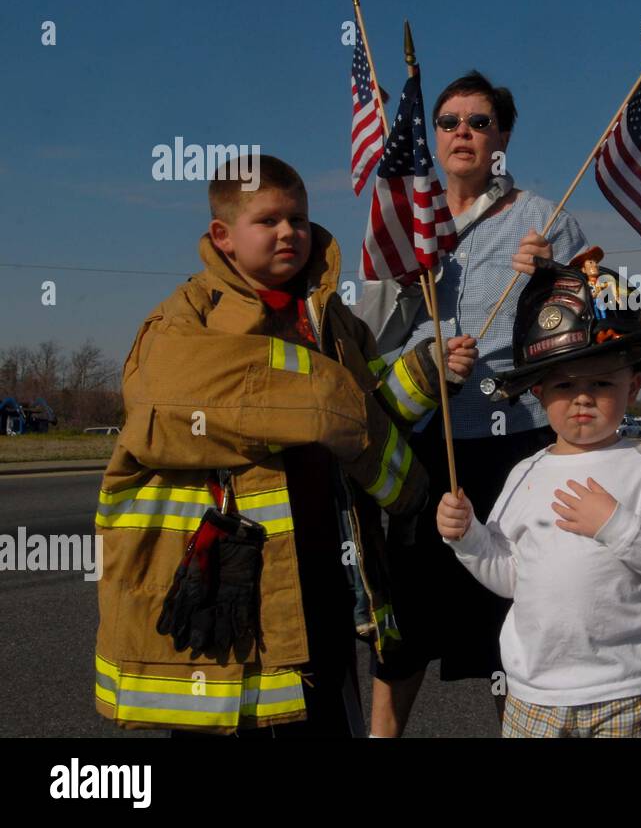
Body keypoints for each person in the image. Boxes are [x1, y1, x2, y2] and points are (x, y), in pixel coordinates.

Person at [94, 155, 473, 736]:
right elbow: (160, 405)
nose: (288, 232)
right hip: (236, 579)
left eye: (297, 218)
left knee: (323, 715)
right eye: (267, 220)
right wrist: (318, 392)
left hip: (329, 567)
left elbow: (369, 418)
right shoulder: (185, 319)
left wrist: (426, 373)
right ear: (222, 236)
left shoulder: (335, 322)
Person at [361, 70, 587, 737]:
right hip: (423, 441)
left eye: (479, 122)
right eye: (451, 121)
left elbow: (579, 335)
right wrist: (428, 359)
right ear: (434, 135)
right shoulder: (405, 221)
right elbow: (370, 338)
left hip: (509, 441)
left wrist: (551, 280)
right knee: (405, 613)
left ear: (503, 136)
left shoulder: (546, 219)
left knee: (506, 614)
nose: (464, 133)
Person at [437, 253, 641, 737]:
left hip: (625, 689)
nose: (582, 397)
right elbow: (511, 575)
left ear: (634, 386)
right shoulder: (525, 473)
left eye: (601, 382)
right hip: (533, 692)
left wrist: (616, 525)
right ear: (538, 392)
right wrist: (469, 539)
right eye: (563, 384)